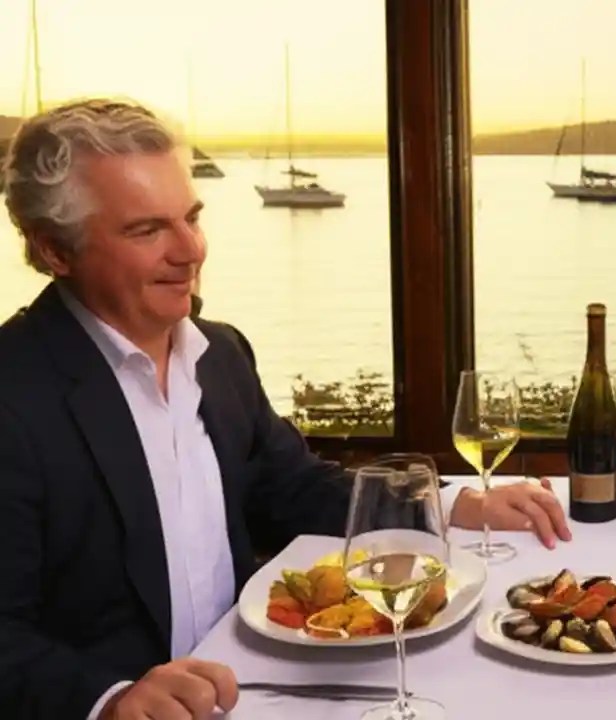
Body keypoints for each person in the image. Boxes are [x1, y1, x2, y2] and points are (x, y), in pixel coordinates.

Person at [0, 98, 572, 720]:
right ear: (55, 250)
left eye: (191, 217)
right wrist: (108, 701)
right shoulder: (13, 395)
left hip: (258, 689)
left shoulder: (218, 352)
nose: (191, 249)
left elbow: (291, 487)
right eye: (147, 229)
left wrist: (456, 505)